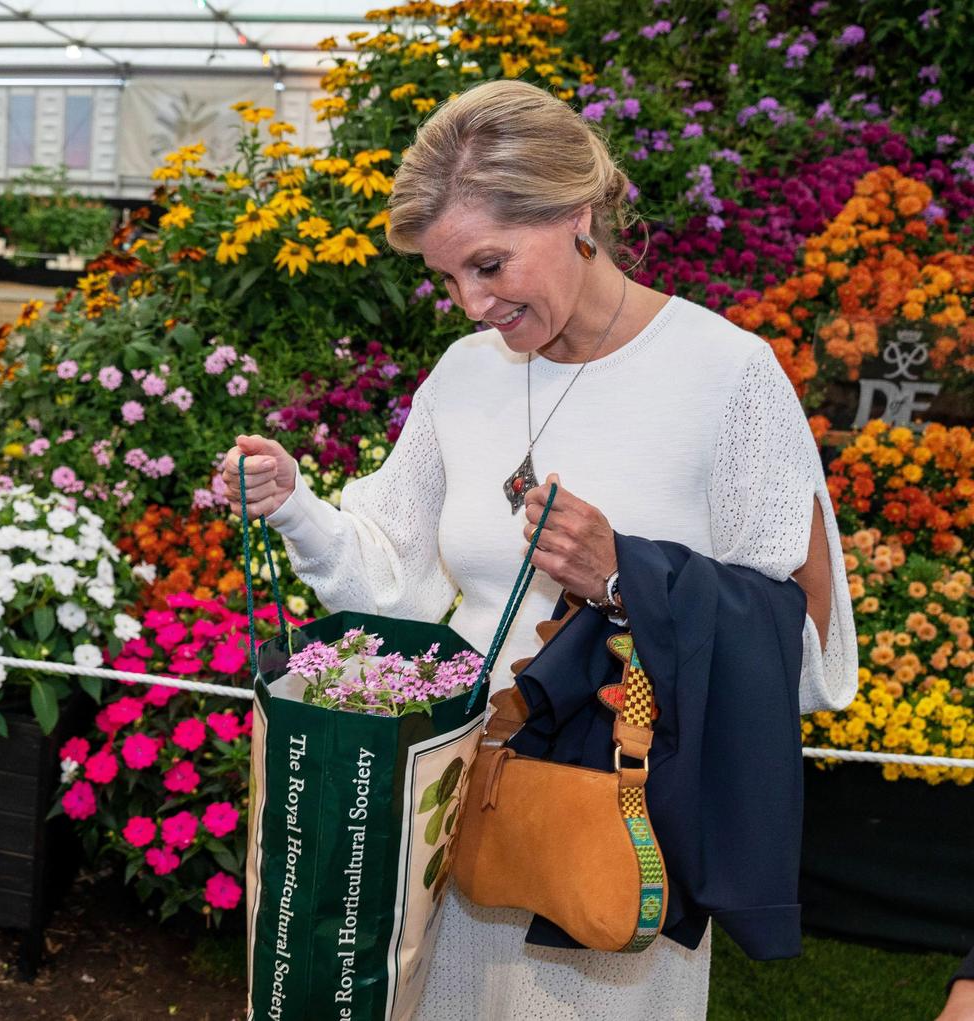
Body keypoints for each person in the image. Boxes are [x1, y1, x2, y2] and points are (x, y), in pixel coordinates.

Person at [222, 78, 858, 1020]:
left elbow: (801, 650)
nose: (470, 304)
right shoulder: (462, 378)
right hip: (456, 806)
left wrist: (624, 575)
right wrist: (295, 506)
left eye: (487, 264)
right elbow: (391, 579)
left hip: (610, 820)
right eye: (447, 278)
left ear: (575, 214)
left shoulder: (725, 375)